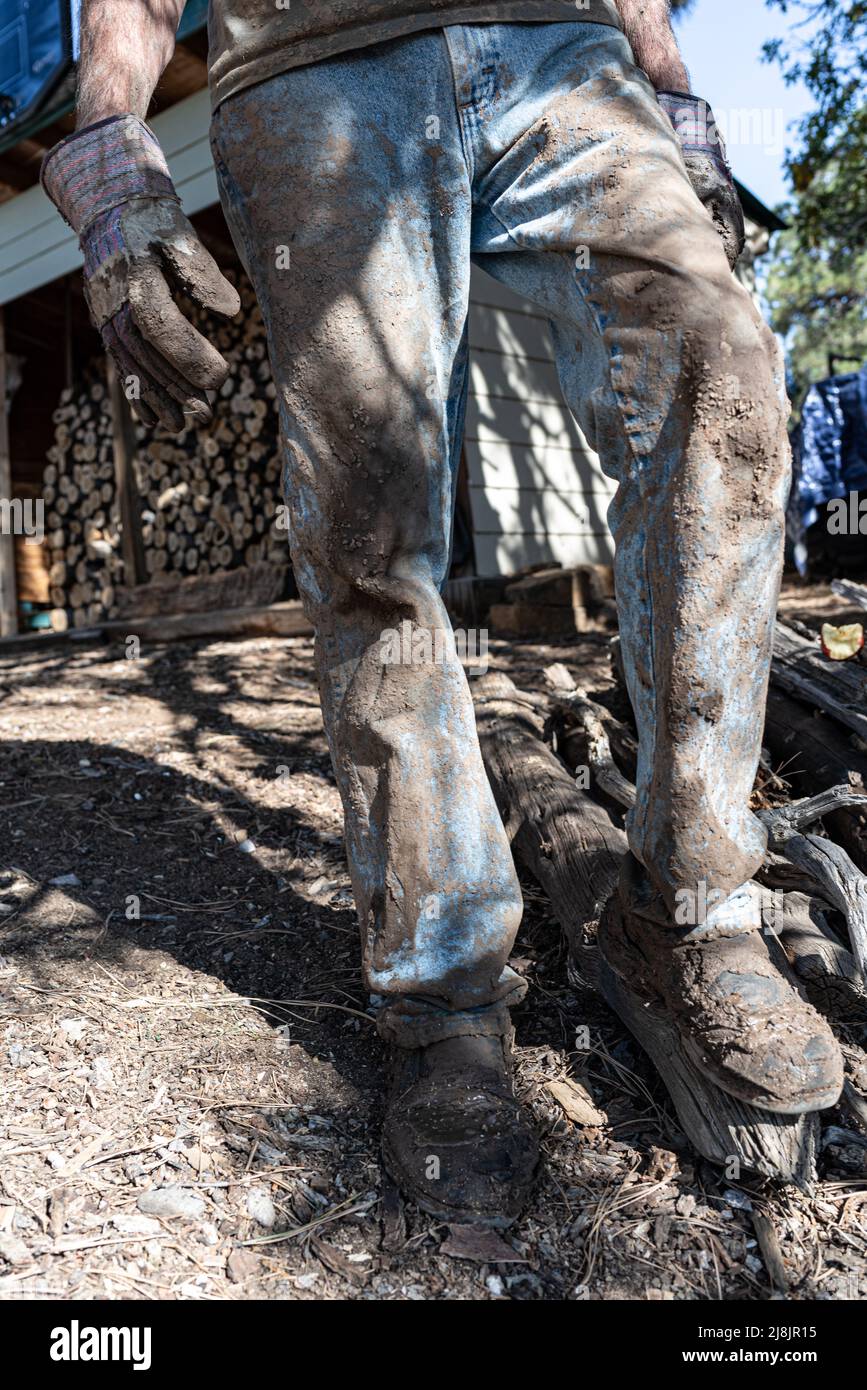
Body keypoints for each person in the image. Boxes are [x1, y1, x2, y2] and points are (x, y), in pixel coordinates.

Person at [41, 0, 843, 1229]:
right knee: (371, 532)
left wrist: (675, 101)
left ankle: (692, 906)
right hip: (313, 67)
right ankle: (445, 995)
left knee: (723, 384)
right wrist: (107, 135)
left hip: (561, 46)